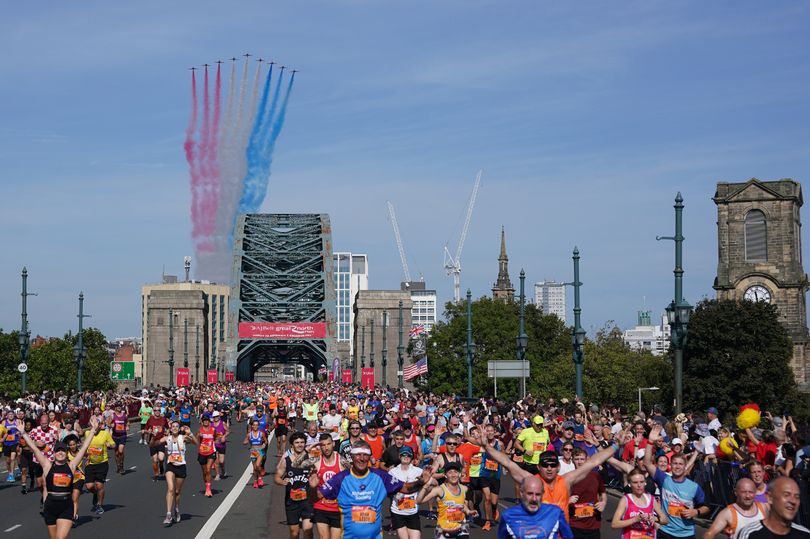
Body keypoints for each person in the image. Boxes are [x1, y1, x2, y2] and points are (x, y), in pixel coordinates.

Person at [479, 427, 626, 518]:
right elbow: (507, 463)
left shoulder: (566, 480)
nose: (549, 468)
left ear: (558, 467)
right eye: (545, 465)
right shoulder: (531, 480)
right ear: (539, 467)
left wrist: (616, 445)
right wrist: (486, 446)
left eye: (552, 465)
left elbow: (593, 462)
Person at [319, 439, 422, 539]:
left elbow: (405, 488)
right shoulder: (340, 478)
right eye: (358, 454)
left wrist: (421, 482)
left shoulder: (381, 476)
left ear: (369, 457)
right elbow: (316, 496)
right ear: (352, 456)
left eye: (365, 455)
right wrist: (312, 487)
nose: (362, 458)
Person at [18, 416, 97, 539]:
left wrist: (92, 431)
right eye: (58, 451)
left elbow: (84, 449)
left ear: (66, 454)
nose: (60, 452)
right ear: (54, 454)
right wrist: (23, 432)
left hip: (66, 505)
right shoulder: (47, 465)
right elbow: (34, 448)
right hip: (50, 506)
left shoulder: (71, 466)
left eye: (63, 451)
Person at [642, 424, 708, 539]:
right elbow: (647, 463)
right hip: (665, 531)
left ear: (685, 467)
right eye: (675, 463)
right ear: (670, 465)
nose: (677, 467)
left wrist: (695, 512)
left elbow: (706, 506)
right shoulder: (664, 479)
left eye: (680, 464)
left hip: (686, 534)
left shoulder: (693, 487)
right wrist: (650, 442)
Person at [151, 420, 197, 526]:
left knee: (177, 492)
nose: (175, 428)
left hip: (181, 467)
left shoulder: (183, 438)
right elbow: (153, 445)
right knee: (170, 488)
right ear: (170, 428)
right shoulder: (167, 438)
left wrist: (190, 433)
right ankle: (168, 514)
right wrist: (153, 436)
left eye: (177, 426)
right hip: (170, 466)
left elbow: (196, 443)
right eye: (173, 426)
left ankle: (176, 508)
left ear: (179, 428)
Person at [498, 475, 573, 539]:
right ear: (521, 493)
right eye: (530, 494)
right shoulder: (508, 515)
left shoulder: (556, 513)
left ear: (543, 494)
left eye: (538, 494)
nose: (534, 499)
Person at [417, 461, 477, 539]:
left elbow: (461, 503)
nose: (453, 475)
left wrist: (468, 511)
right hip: (443, 529)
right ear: (445, 475)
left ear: (459, 474)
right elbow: (418, 501)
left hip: (461, 527)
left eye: (455, 472)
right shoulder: (439, 490)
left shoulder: (464, 489)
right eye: (450, 472)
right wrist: (426, 485)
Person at [738, 477, 810, 538]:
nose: (793, 501)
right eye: (786, 495)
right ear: (770, 498)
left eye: (797, 497)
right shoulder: (750, 534)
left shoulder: (805, 534)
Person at [276, 431, 315, 539]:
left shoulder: (311, 458)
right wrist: (282, 481)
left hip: (307, 500)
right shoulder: (286, 460)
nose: (300, 444)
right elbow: (277, 476)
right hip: (291, 501)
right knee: (294, 533)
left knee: (308, 531)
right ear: (292, 445)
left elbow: (318, 472)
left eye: (302, 442)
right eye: (297, 442)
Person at [612, 467, 668, 539]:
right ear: (629, 484)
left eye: (641, 482)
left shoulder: (651, 499)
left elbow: (665, 520)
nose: (639, 485)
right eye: (635, 482)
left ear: (645, 483)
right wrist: (634, 520)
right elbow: (614, 524)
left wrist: (653, 518)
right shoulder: (626, 500)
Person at [310, 433, 344, 539]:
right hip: (321, 506)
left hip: (337, 508)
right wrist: (313, 487)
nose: (326, 447)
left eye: (328, 444)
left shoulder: (342, 461)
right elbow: (296, 464)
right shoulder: (316, 461)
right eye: (323, 445)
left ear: (333, 444)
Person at [568, 447, 607, 539]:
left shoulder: (595, 476)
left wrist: (603, 503)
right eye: (576, 459)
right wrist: (567, 500)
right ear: (572, 460)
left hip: (593, 524)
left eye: (582, 459)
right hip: (574, 524)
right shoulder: (568, 478)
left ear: (587, 460)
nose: (579, 462)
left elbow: (603, 493)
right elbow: (558, 499)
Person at [83, 414, 116, 515]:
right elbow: (85, 447)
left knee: (99, 485)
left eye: (97, 423)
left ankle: (100, 505)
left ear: (100, 425)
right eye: (93, 423)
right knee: (89, 486)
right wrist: (86, 455)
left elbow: (114, 444)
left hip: (102, 463)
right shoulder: (87, 433)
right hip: (90, 463)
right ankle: (96, 494)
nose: (95, 426)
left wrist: (110, 445)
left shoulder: (105, 433)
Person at [388, 446, 423, 539]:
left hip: (412, 512)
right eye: (403, 454)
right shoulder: (393, 472)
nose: (406, 456)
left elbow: (431, 481)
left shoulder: (418, 471)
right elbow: (388, 488)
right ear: (399, 457)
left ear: (411, 457)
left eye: (408, 455)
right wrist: (396, 493)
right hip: (398, 512)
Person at [146, 407, 170, 480]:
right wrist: (148, 432)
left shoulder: (163, 419)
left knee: (161, 458)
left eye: (158, 410)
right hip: (153, 441)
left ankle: (161, 465)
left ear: (160, 411)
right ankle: (156, 474)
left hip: (160, 441)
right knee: (155, 460)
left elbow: (168, 428)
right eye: (155, 410)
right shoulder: (150, 419)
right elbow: (145, 429)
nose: (157, 411)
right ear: (153, 411)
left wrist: (167, 432)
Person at [196, 414, 217, 497]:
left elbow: (215, 438)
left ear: (209, 421)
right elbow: (196, 441)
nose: (205, 421)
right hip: (202, 453)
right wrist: (199, 436)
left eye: (207, 420)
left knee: (208, 469)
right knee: (204, 472)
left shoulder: (213, 429)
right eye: (204, 420)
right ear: (202, 421)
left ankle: (208, 489)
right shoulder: (199, 430)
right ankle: (206, 485)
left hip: (211, 452)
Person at [2, 410, 20, 483]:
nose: (11, 416)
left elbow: (20, 430)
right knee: (7, 461)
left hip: (14, 442)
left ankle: (12, 474)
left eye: (12, 414)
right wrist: (6, 430)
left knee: (13, 458)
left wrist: (18, 432)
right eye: (9, 414)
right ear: (7, 416)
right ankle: (9, 473)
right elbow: (1, 431)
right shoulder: (4, 422)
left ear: (14, 415)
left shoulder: (17, 421)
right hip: (6, 443)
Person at [110, 403, 128, 474]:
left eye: (120, 406)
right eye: (118, 406)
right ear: (115, 408)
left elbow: (127, 422)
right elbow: (108, 423)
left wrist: (127, 426)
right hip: (115, 436)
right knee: (116, 453)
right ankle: (118, 466)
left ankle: (121, 465)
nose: (119, 407)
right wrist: (111, 425)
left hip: (123, 435)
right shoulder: (113, 415)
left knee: (121, 451)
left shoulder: (124, 415)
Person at [212, 411, 229, 480]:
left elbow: (227, 431)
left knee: (221, 461)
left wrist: (224, 436)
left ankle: (223, 469)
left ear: (219, 416)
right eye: (214, 417)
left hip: (221, 444)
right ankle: (217, 474)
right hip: (214, 444)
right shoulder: (211, 425)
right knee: (216, 461)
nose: (215, 418)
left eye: (217, 416)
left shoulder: (222, 423)